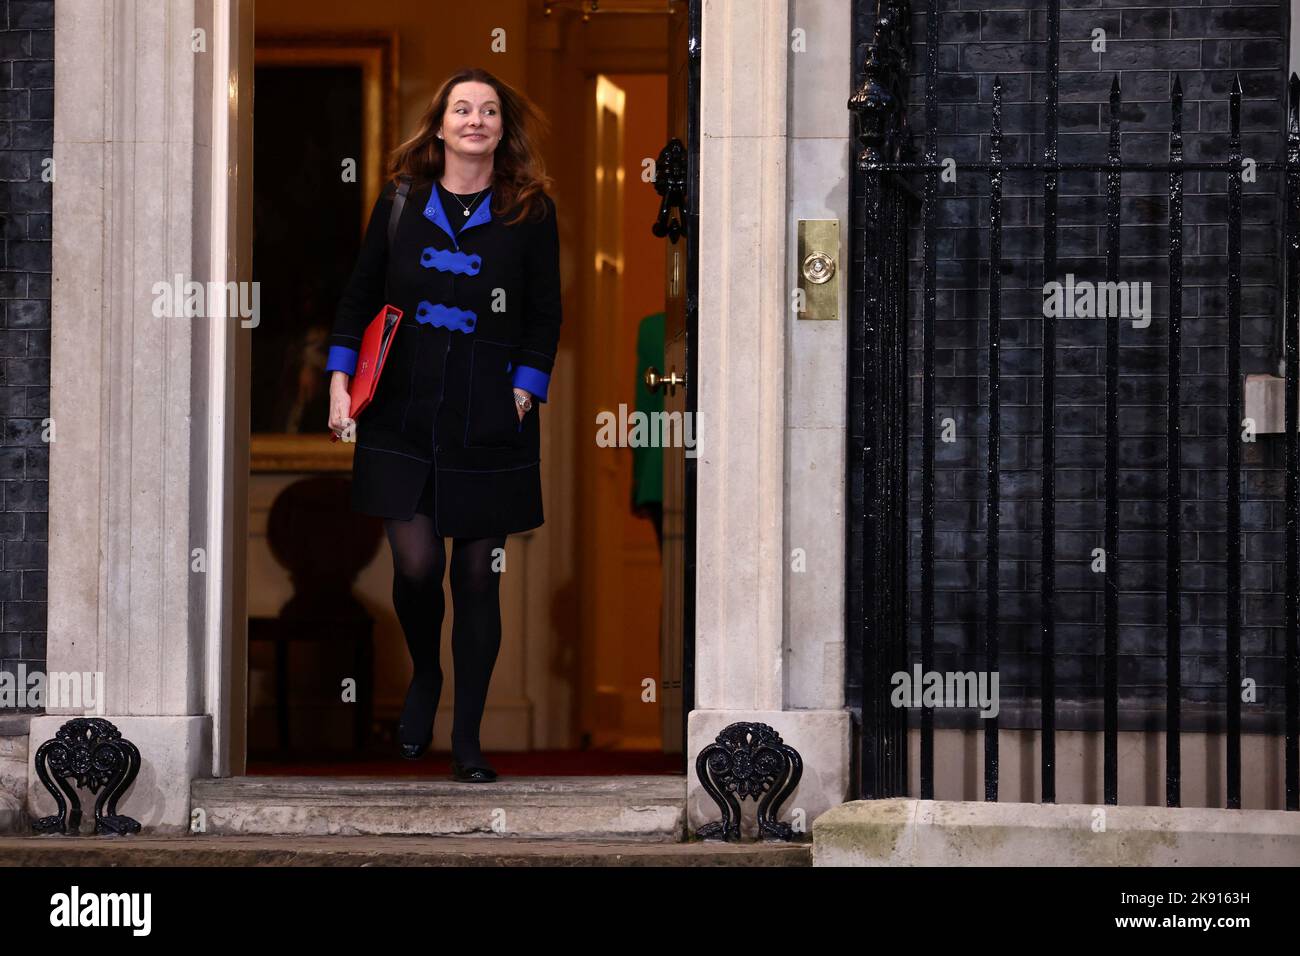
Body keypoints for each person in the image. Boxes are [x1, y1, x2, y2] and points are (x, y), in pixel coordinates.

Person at [326, 68, 563, 783]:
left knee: (478, 578)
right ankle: (426, 673)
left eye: (489, 111)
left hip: (491, 411)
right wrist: (341, 383)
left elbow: (546, 311)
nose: (476, 120)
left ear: (502, 129)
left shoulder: (530, 209)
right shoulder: (399, 200)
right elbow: (361, 293)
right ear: (439, 125)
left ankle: (466, 739)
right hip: (401, 407)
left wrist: (526, 388)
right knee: (419, 564)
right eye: (462, 108)